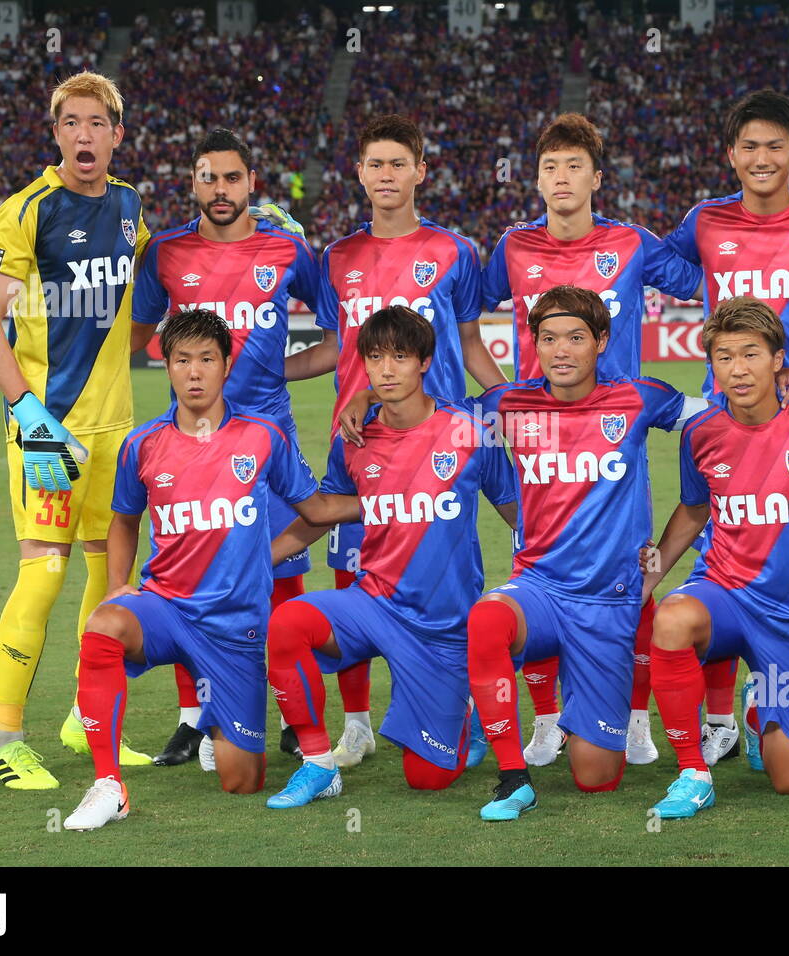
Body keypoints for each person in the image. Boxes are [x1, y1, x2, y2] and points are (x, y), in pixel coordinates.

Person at [62, 310, 352, 830]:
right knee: (103, 628)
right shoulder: (143, 444)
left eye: (206, 360)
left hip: (234, 632)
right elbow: (124, 521)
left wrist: (387, 497)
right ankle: (109, 785)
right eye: (181, 360)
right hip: (165, 608)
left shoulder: (263, 437)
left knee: (243, 781)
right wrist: (117, 587)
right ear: (166, 366)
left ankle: (224, 719)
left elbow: (316, 513)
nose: (194, 372)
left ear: (225, 366)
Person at [480, 113, 704, 765]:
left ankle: (634, 719)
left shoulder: (632, 244)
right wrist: (503, 396)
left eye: (574, 166)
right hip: (542, 433)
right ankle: (547, 718)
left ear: (597, 178)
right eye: (550, 167)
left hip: (617, 431)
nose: (561, 177)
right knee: (538, 564)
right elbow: (465, 312)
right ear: (537, 178)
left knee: (633, 570)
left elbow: (708, 283)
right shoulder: (514, 248)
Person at [295, 114, 507, 769]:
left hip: (437, 453)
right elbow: (334, 347)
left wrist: (515, 405)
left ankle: (461, 709)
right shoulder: (338, 258)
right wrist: (261, 369)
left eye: (398, 164)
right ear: (358, 172)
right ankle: (356, 725)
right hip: (359, 449)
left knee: (447, 584)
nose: (386, 176)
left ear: (420, 170)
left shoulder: (454, 252)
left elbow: (470, 342)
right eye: (374, 165)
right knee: (352, 580)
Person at [665, 89, 789, 769]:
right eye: (748, 146)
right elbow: (650, 269)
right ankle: (722, 718)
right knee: (722, 565)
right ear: (730, 155)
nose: (761, 158)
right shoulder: (704, 221)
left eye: (774, 146)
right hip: (728, 428)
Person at [0, 71, 153, 789]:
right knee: (41, 575)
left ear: (117, 133)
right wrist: (26, 414)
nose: (84, 135)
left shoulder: (132, 207)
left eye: (96, 123)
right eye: (70, 123)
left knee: (109, 579)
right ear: (56, 133)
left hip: (117, 432)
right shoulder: (25, 212)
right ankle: (3, 736)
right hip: (50, 431)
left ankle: (87, 715)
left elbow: (148, 295)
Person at [640, 297, 789, 818]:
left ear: (779, 359)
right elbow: (693, 508)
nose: (738, 368)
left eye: (751, 354)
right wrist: (652, 575)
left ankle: (761, 710)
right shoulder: (702, 431)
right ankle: (693, 772)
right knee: (672, 620)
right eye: (724, 357)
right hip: (724, 595)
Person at [466, 285, 707, 821]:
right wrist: (368, 396)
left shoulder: (640, 398)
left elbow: (718, 413)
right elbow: (426, 420)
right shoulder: (506, 405)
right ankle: (512, 777)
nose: (561, 351)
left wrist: (661, 560)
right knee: (486, 620)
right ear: (534, 345)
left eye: (575, 338)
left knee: (595, 778)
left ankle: (588, 716)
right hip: (540, 589)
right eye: (548, 338)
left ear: (601, 341)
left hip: (608, 601)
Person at [262, 305, 518, 807]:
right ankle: (318, 766)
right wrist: (260, 561)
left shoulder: (470, 431)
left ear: (425, 361)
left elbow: (518, 513)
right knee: (289, 623)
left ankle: (465, 715)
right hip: (373, 603)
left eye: (400, 356)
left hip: (443, 627)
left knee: (427, 778)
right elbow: (324, 512)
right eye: (375, 357)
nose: (386, 369)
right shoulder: (355, 437)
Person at [130, 127, 320, 765]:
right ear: (193, 183)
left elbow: (344, 328)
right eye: (208, 177)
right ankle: (195, 718)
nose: (220, 189)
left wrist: (283, 372)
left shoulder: (288, 250)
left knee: (282, 573)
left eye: (232, 178)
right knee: (189, 581)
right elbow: (139, 336)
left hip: (267, 437)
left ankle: (296, 715)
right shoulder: (165, 252)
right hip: (189, 444)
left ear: (251, 185)